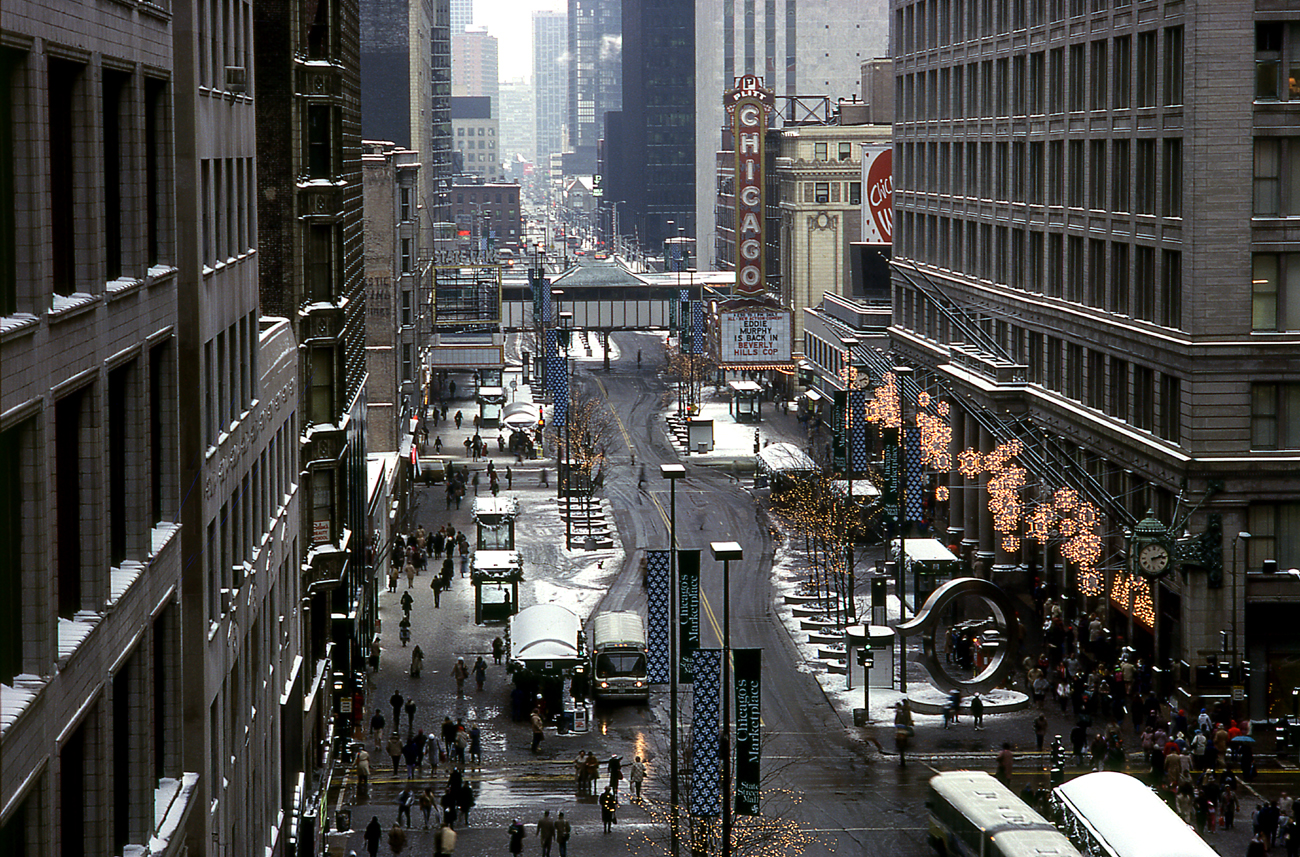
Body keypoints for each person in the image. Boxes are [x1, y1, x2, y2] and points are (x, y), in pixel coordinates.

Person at [894, 700, 914, 767]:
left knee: (901, 743)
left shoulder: (902, 712)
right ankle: (902, 757)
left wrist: (898, 724)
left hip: (901, 728)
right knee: (902, 743)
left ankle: (902, 757)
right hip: (903, 728)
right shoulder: (905, 711)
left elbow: (898, 720)